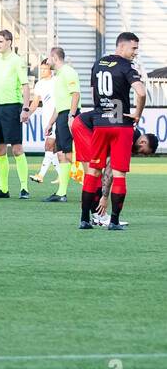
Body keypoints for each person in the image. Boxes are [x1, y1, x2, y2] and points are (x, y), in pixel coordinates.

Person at [75, 32, 147, 230]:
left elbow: (93, 93)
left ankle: (84, 219)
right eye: (133, 48)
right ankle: (114, 221)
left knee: (93, 171)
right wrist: (137, 114)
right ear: (121, 46)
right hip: (121, 125)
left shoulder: (98, 64)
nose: (135, 52)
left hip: (100, 124)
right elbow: (141, 92)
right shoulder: (126, 66)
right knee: (119, 173)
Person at [0, 29, 32, 198]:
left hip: (13, 107)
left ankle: (24, 188)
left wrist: (25, 109)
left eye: (0, 41)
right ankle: (3, 189)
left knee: (17, 149)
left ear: (9, 42)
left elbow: (26, 86)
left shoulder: (17, 61)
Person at [43, 46, 83, 202]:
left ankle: (91, 188)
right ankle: (61, 193)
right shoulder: (59, 75)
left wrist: (71, 115)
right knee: (61, 154)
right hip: (62, 115)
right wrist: (50, 123)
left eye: (49, 58)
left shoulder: (68, 72)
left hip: (68, 115)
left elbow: (76, 94)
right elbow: (59, 104)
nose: (47, 61)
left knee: (68, 153)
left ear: (54, 57)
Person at [28, 59, 58, 187]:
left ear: (51, 70)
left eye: (45, 69)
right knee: (54, 149)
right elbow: (35, 102)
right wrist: (27, 114)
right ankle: (62, 174)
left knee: (48, 146)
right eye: (41, 69)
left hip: (55, 117)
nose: (42, 71)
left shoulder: (57, 81)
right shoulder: (39, 84)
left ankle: (41, 175)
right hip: (45, 118)